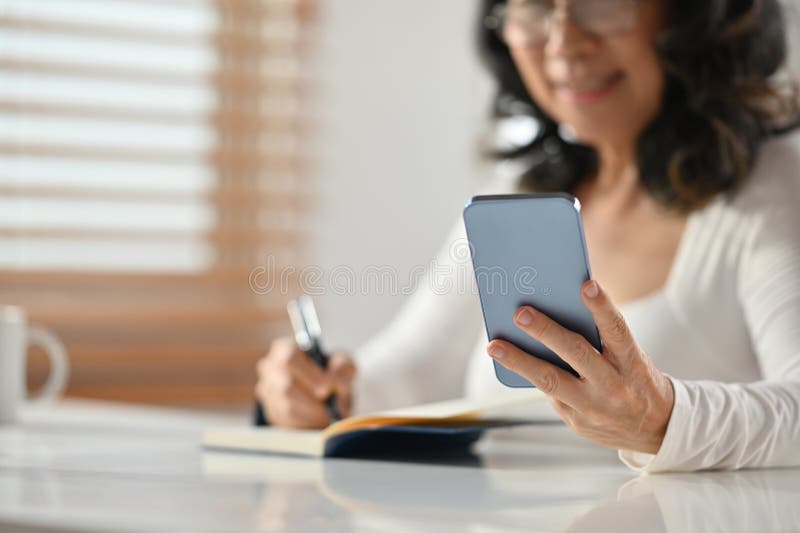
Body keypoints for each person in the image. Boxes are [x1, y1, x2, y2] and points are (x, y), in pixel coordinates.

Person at [256, 0, 800, 472]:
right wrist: (323, 393)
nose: (563, 42)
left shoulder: (774, 189)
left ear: (690, 17)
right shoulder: (521, 191)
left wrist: (663, 419)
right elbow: (419, 367)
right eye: (533, 6)